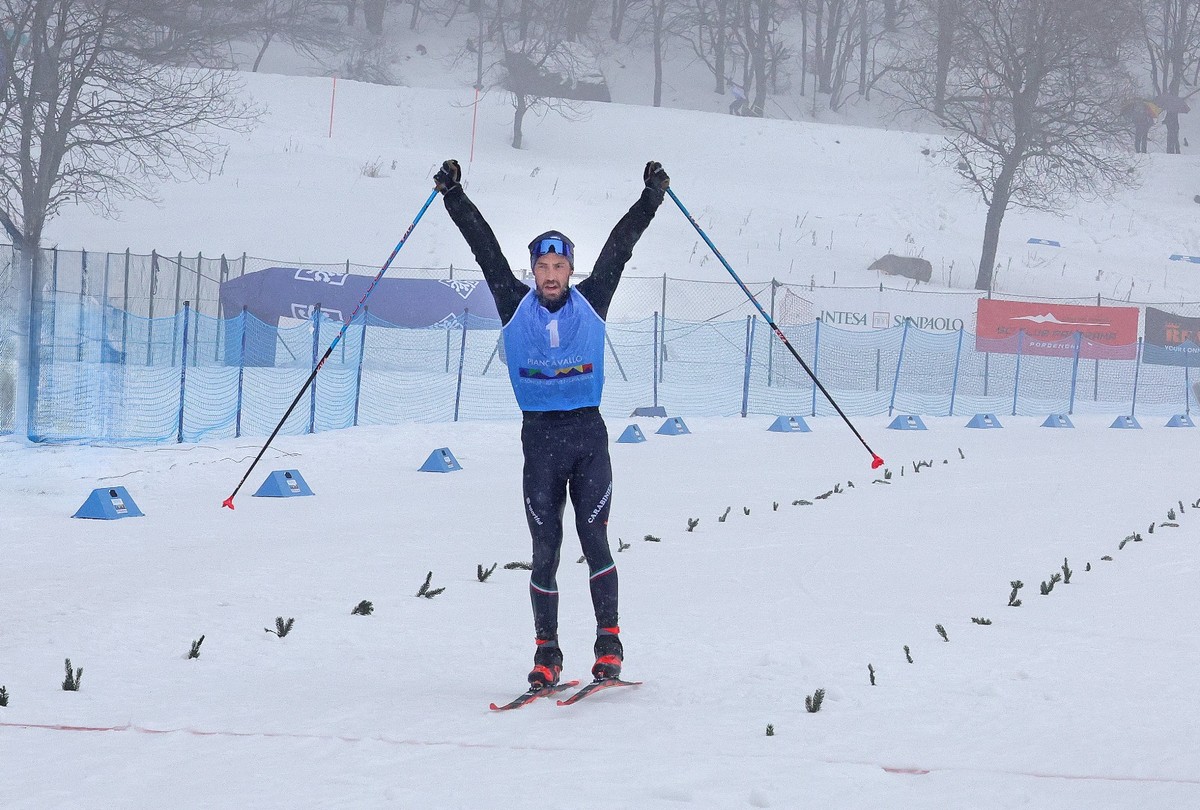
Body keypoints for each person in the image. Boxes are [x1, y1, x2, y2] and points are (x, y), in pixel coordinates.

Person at [433, 158, 670, 688]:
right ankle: (547, 654)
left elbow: (620, 247)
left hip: (588, 438)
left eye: (560, 266)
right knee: (545, 552)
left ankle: (608, 646)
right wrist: (454, 196)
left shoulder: (593, 301)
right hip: (540, 440)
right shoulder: (513, 304)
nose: (551, 275)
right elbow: (484, 249)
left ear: (570, 270)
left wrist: (651, 197)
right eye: (543, 266)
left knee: (595, 542)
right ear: (533, 271)